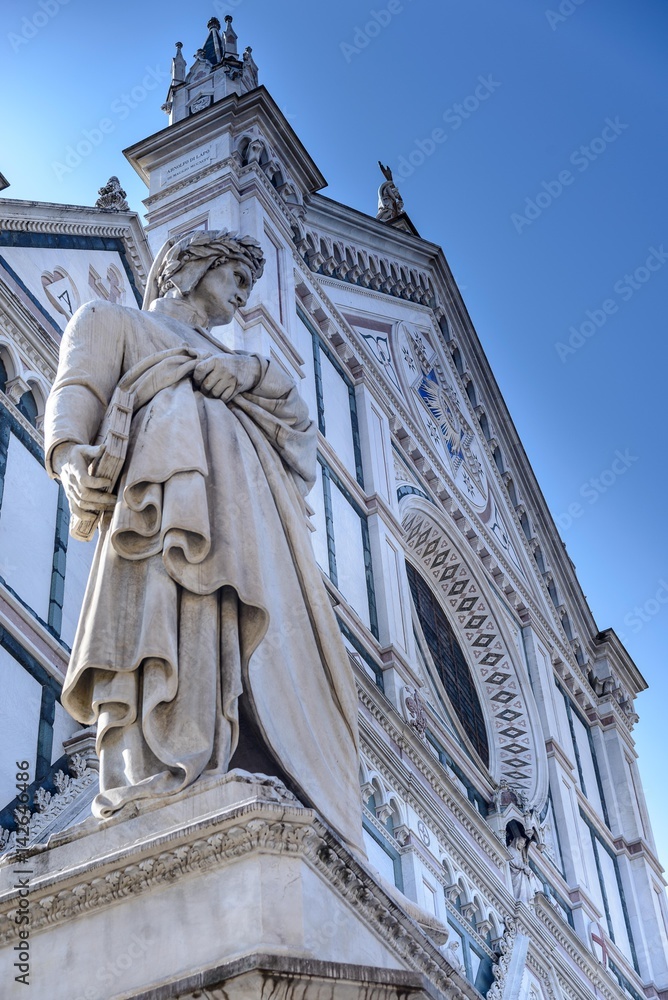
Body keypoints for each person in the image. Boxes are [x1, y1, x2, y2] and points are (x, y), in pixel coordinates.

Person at [44, 229, 364, 852]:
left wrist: (248, 371)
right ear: (189, 267)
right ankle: (155, 769)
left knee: (223, 634)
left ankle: (221, 754)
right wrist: (68, 454)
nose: (243, 296)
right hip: (155, 520)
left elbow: (299, 438)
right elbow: (76, 390)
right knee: (159, 624)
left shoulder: (241, 370)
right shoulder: (115, 321)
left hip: (237, 537)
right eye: (236, 277)